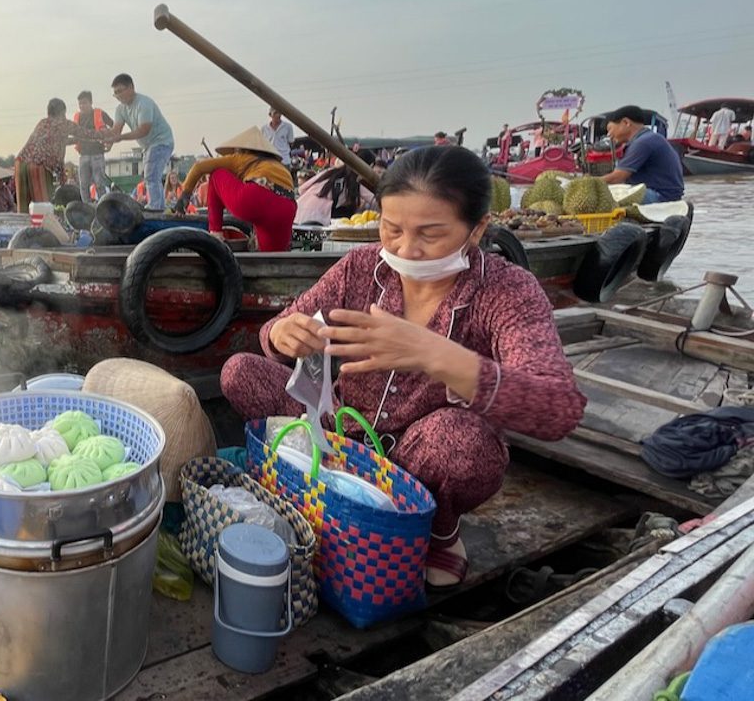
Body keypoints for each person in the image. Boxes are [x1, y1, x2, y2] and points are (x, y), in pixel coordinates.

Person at [219, 145, 585, 586]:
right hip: (341, 432)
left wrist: (437, 356)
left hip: (424, 452)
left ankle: (437, 528)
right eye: (392, 230)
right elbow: (279, 329)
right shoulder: (360, 267)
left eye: (429, 235)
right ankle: (325, 483)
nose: (406, 250)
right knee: (240, 371)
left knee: (464, 444)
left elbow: (559, 408)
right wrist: (282, 336)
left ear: (477, 229)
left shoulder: (508, 291)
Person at [174, 127, 296, 252]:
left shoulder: (241, 157)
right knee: (271, 257)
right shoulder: (278, 166)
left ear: (240, 149)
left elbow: (199, 167)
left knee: (216, 174)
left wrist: (185, 195)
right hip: (287, 209)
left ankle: (216, 234)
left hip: (255, 199)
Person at [105, 73, 175, 212]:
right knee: (151, 175)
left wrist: (120, 138)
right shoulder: (120, 109)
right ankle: (158, 207)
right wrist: (108, 141)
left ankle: (156, 207)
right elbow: (116, 131)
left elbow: (144, 130)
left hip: (162, 141)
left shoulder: (144, 103)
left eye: (120, 91)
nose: (118, 96)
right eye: (115, 94)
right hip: (148, 146)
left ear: (131, 87)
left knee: (151, 174)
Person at [15, 98, 94, 211]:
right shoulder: (63, 124)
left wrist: (77, 140)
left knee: (23, 211)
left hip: (20, 164)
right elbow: (86, 133)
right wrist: (108, 135)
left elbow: (54, 141)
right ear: (62, 112)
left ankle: (24, 227)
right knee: (43, 209)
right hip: (39, 166)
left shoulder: (43, 123)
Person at [599, 105, 685, 202]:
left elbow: (618, 177)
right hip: (667, 195)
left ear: (626, 123)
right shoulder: (649, 138)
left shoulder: (643, 142)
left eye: (610, 129)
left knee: (603, 198)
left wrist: (590, 182)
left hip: (660, 196)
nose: (608, 135)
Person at [73, 91, 114, 202]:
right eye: (80, 104)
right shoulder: (76, 117)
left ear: (91, 102)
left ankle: (103, 205)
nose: (82, 106)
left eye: (84, 103)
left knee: (99, 183)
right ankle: (86, 206)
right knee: (83, 184)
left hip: (97, 154)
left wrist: (110, 142)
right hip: (83, 155)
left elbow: (114, 126)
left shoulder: (100, 113)